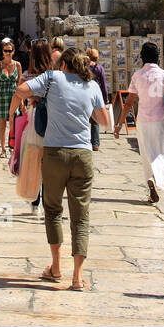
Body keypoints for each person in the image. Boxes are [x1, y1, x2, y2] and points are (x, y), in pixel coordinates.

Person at [13, 48, 110, 290]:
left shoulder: (52, 78)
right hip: (82, 154)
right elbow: (105, 122)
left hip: (55, 152)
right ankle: (77, 277)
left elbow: (22, 90)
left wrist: (38, 99)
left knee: (53, 209)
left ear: (64, 65)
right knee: (81, 215)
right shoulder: (92, 86)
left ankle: (56, 267)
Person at [117, 42, 164, 204]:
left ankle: (149, 179)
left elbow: (128, 103)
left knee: (145, 153)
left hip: (143, 120)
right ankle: (156, 181)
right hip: (160, 119)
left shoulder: (137, 76)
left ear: (142, 57)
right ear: (158, 56)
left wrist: (119, 124)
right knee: (161, 151)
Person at [14, 39, 54, 211]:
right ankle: (47, 198)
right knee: (48, 162)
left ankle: (35, 199)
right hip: (52, 119)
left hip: (33, 120)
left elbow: (19, 95)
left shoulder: (27, 75)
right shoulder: (54, 75)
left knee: (33, 160)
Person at [0, 39, 21, 157]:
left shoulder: (17, 65)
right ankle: (3, 149)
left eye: (9, 51)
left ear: (13, 51)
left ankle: (12, 147)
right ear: (2, 52)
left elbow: (20, 83)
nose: (7, 53)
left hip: (13, 94)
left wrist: (22, 100)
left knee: (13, 122)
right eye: (5, 51)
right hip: (1, 94)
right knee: (2, 123)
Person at [86, 47, 109, 151]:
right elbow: (104, 84)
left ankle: (85, 141)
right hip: (96, 95)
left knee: (85, 118)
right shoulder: (99, 68)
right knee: (95, 121)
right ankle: (95, 144)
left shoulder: (84, 67)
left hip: (85, 94)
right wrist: (106, 98)